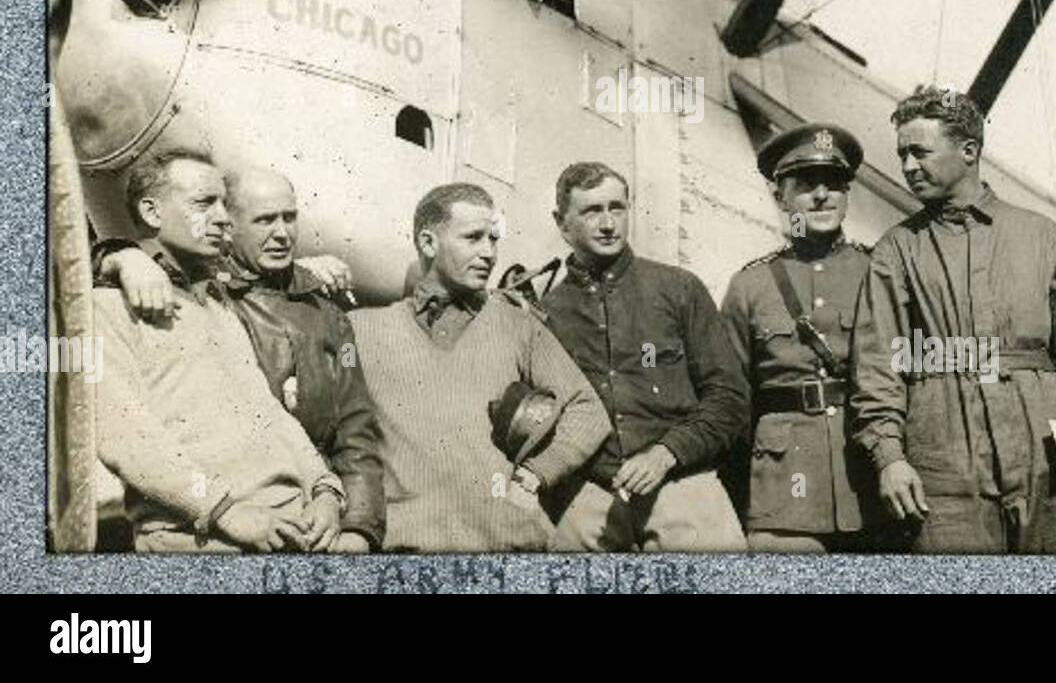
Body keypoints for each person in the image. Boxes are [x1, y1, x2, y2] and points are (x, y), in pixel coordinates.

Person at [849, 87, 1056, 553]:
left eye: (920, 152)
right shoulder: (897, 250)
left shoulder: (1042, 236)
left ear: (969, 150)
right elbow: (878, 367)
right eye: (902, 155)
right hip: (946, 465)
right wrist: (889, 456)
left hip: (1049, 454)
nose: (908, 166)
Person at [96, 167, 385, 551]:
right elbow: (126, 435)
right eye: (204, 203)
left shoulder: (217, 307)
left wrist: (328, 492)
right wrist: (223, 510)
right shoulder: (111, 305)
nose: (221, 217)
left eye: (289, 217)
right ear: (152, 212)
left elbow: (273, 413)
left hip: (299, 529)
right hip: (206, 539)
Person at [349, 182, 609, 551]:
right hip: (407, 553)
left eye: (493, 239)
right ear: (427, 243)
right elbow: (335, 430)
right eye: (473, 238)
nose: (489, 253)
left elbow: (588, 409)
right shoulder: (361, 330)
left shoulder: (518, 326)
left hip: (507, 548)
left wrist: (535, 476)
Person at [542, 162, 748, 551]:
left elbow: (730, 398)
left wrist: (666, 453)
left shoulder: (678, 289)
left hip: (682, 482)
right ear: (562, 223)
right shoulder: (549, 313)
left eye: (616, 208)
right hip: (590, 495)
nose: (608, 224)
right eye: (591, 211)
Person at [720, 123, 886, 552]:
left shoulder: (881, 274)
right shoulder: (749, 286)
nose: (820, 196)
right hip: (782, 492)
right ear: (780, 197)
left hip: (867, 485)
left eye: (833, 183)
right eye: (805, 185)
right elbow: (731, 402)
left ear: (847, 194)